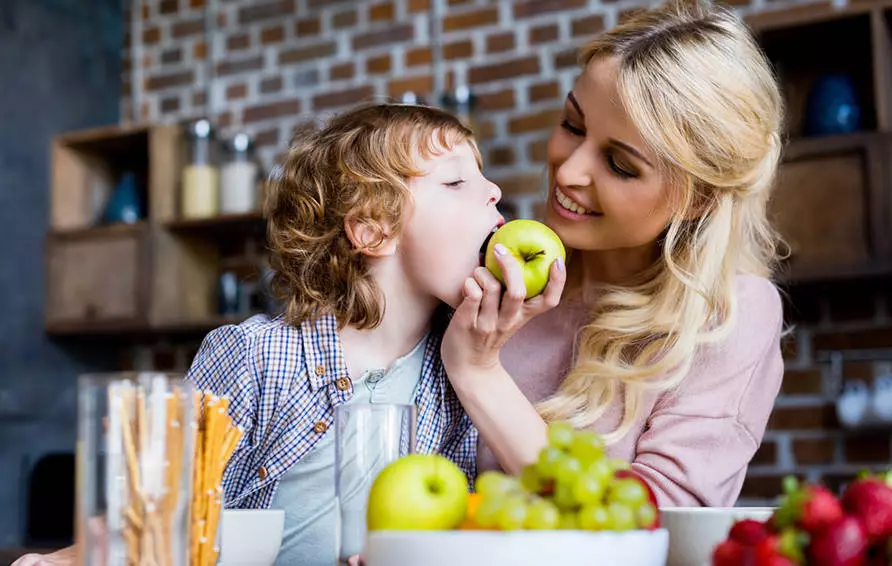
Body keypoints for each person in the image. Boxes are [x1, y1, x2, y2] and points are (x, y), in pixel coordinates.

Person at [13, 102, 507, 566]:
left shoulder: (465, 373)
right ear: (373, 229)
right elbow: (162, 508)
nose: (494, 191)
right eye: (457, 182)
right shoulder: (256, 355)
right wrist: (68, 558)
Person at [439, 0, 786, 508]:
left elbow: (651, 520)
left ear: (699, 199)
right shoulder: (491, 268)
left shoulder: (728, 314)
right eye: (573, 126)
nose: (568, 172)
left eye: (620, 165)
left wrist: (478, 374)